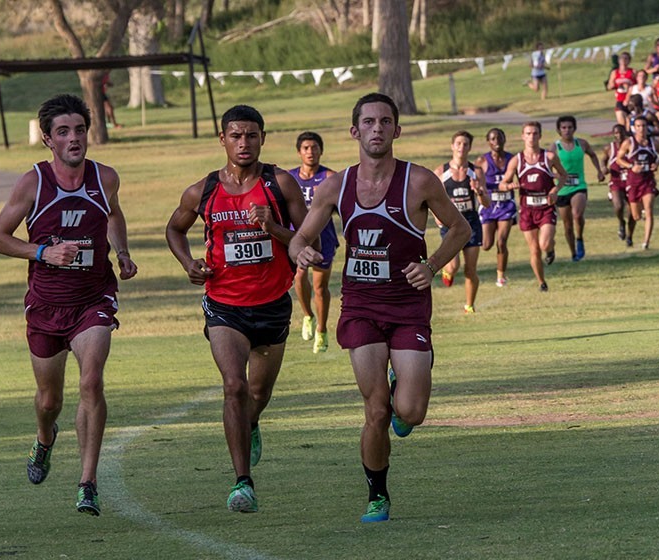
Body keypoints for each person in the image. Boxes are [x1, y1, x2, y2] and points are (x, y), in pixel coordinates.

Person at [288, 92, 470, 523]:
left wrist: (431, 265)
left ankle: (408, 375)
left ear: (396, 130)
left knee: (411, 412)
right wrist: (302, 252)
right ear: (355, 131)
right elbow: (299, 236)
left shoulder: (420, 181)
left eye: (385, 122)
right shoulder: (337, 186)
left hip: (408, 308)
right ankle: (377, 495)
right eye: (368, 122)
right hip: (361, 307)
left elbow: (460, 228)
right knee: (376, 410)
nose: (376, 129)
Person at [0, 93, 138, 517]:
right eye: (63, 132)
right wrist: (42, 253)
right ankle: (45, 436)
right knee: (49, 400)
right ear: (48, 141)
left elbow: (112, 214)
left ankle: (87, 482)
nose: (74, 138)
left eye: (79, 130)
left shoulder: (105, 177)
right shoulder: (33, 182)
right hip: (46, 306)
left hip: (94, 299)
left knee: (91, 382)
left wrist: (122, 252)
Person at [164, 105, 310, 514]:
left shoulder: (280, 184)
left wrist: (273, 228)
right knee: (235, 386)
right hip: (224, 305)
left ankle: (252, 422)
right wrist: (189, 263)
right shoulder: (203, 190)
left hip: (272, 305)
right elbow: (175, 228)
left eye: (251, 135)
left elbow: (307, 239)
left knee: (258, 392)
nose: (243, 143)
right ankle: (242, 481)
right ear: (222, 139)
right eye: (235, 135)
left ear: (263, 138)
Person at [499, 121, 567, 291]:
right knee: (534, 249)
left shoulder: (549, 157)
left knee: (544, 244)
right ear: (523, 136)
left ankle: (550, 249)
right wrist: (510, 186)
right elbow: (502, 184)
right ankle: (541, 283)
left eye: (535, 133)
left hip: (546, 207)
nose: (531, 137)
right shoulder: (516, 160)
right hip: (527, 210)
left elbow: (564, 176)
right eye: (528, 133)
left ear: (540, 136)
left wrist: (555, 189)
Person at [288, 131, 338, 353]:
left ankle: (322, 329)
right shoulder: (290, 178)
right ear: (299, 152)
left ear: (321, 150)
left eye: (314, 147)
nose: (310, 152)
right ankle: (307, 315)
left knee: (320, 287)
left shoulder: (330, 178)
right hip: (297, 238)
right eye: (306, 148)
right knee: (299, 276)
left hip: (324, 238)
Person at [434, 130, 490, 313]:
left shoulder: (477, 172)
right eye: (458, 143)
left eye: (465, 144)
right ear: (452, 146)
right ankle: (447, 271)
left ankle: (469, 306)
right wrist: (437, 217)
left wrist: (479, 192)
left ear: (470, 147)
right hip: (450, 222)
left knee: (470, 269)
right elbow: (432, 200)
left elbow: (486, 204)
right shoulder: (441, 172)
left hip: (471, 221)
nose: (462, 147)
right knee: (454, 265)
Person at [553, 116, 604, 262]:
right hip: (562, 190)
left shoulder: (581, 143)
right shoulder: (555, 147)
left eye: (569, 127)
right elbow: (547, 166)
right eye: (563, 128)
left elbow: (593, 155)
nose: (567, 130)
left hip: (579, 186)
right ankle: (573, 253)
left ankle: (580, 238)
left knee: (577, 214)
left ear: (574, 129)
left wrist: (599, 171)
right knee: (567, 226)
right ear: (559, 130)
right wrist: (556, 176)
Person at [475, 128, 516, 287]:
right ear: (488, 142)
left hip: (506, 206)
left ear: (505, 138)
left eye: (499, 137)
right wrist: (500, 186)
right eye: (493, 139)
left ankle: (501, 276)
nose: (496, 141)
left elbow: (521, 178)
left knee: (502, 241)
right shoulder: (482, 161)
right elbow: (479, 183)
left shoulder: (512, 159)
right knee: (486, 245)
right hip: (488, 206)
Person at [618, 115, 659, 249]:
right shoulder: (629, 143)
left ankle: (646, 242)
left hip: (648, 180)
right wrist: (630, 167)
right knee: (636, 216)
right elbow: (619, 159)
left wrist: (656, 164)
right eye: (638, 126)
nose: (641, 129)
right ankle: (641, 214)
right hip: (633, 182)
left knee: (649, 209)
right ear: (634, 128)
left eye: (644, 126)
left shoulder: (653, 142)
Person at [601, 124, 632, 244]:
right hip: (616, 180)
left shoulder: (631, 145)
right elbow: (603, 160)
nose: (619, 135)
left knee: (632, 212)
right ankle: (621, 222)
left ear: (625, 133)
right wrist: (603, 168)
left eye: (621, 133)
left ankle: (630, 234)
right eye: (616, 133)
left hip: (630, 180)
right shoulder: (610, 148)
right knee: (618, 206)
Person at [607, 51, 635, 126]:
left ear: (629, 61)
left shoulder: (632, 71)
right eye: (622, 58)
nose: (623, 60)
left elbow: (637, 85)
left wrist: (629, 86)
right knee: (622, 124)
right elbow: (609, 86)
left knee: (631, 124)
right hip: (620, 100)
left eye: (626, 58)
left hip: (631, 101)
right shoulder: (615, 72)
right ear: (619, 60)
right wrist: (614, 85)